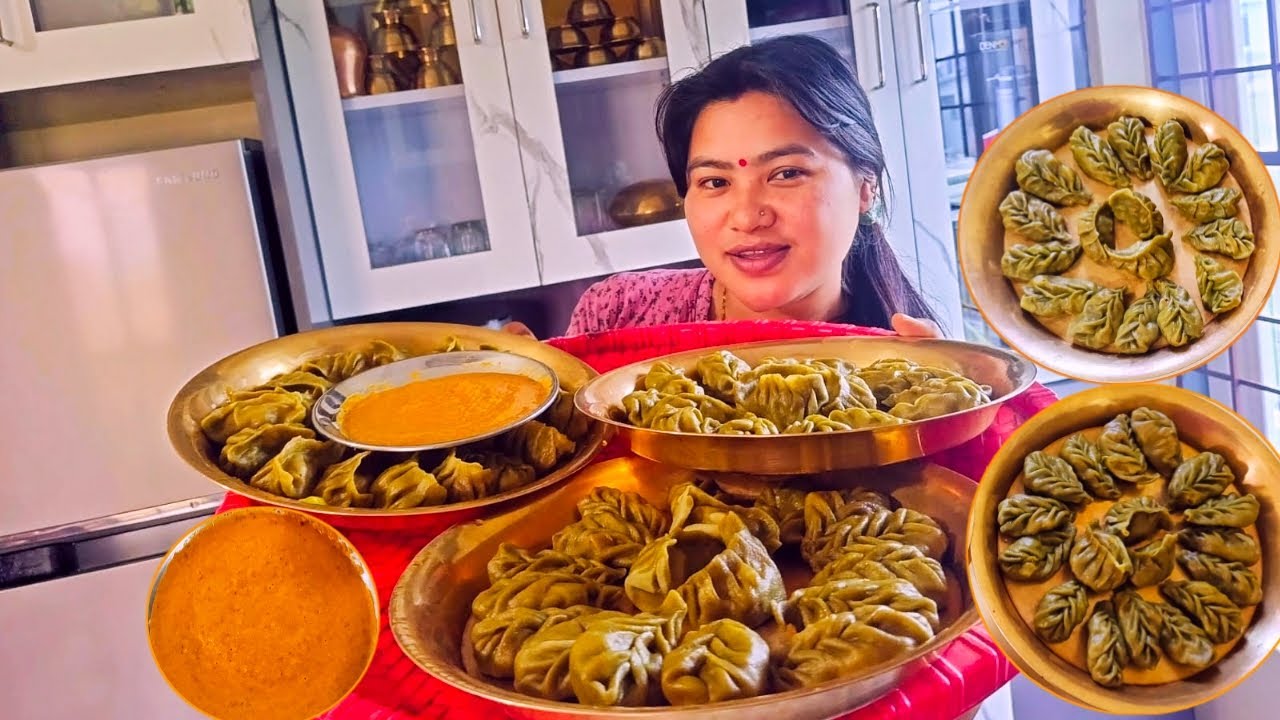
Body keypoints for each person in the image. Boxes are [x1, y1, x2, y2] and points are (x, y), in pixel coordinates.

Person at [506, 34, 943, 340]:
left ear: (866, 186)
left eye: (786, 173)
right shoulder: (619, 315)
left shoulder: (907, 364)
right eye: (715, 181)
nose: (748, 216)